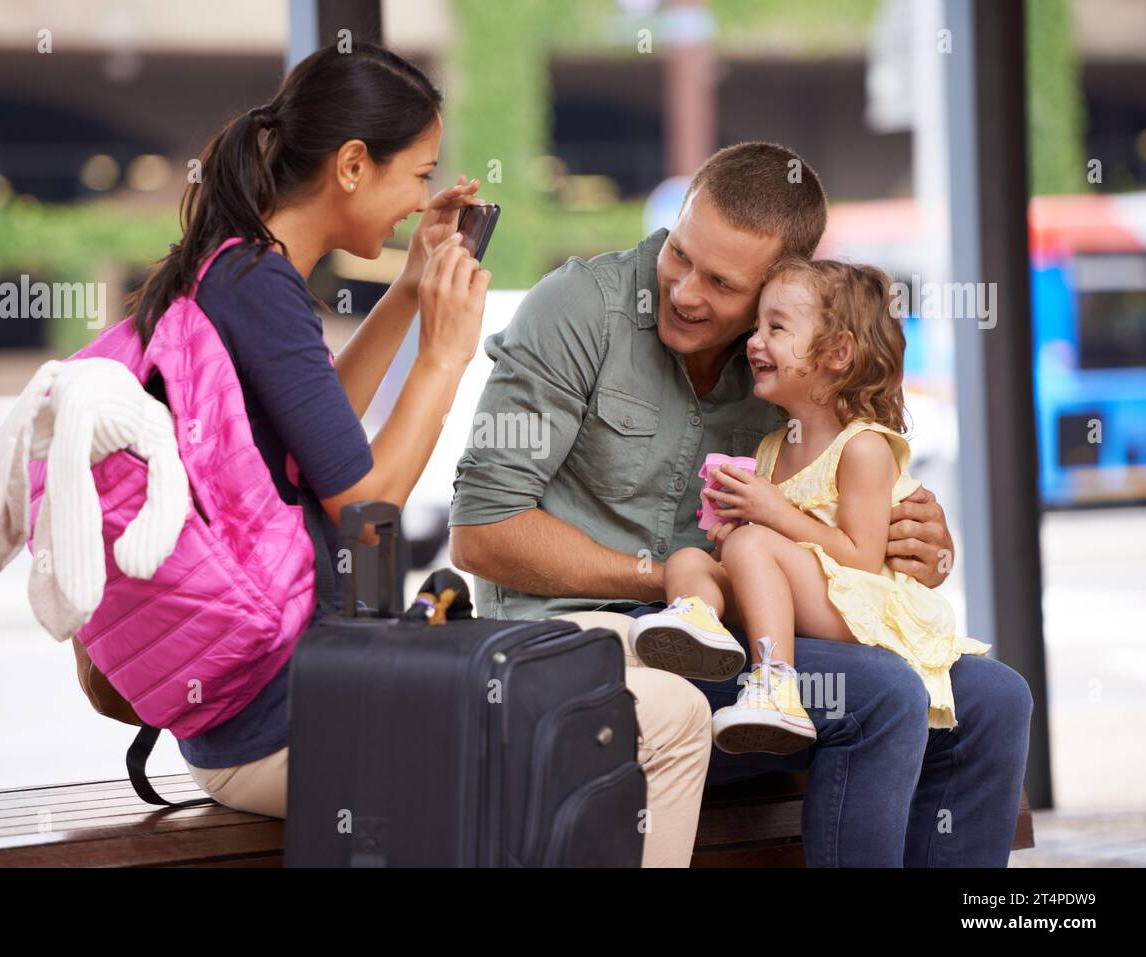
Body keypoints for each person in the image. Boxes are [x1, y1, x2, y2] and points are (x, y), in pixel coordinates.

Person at [124, 40, 713, 868]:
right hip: (289, 722)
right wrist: (445, 354)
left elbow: (325, 425)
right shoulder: (259, 284)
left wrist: (409, 289)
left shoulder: (238, 270)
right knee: (675, 714)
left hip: (301, 693)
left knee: (608, 646)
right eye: (420, 173)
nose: (424, 198)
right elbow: (368, 510)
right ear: (354, 165)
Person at [449, 141, 1033, 866]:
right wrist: (668, 577)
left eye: (723, 285)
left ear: (776, 290)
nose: (686, 291)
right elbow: (482, 533)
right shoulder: (576, 311)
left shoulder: (789, 362)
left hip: (751, 645)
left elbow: (847, 518)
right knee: (880, 693)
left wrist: (918, 542)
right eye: (679, 255)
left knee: (994, 699)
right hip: (581, 648)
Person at [630, 257, 992, 757]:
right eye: (756, 326)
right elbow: (770, 545)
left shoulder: (862, 448)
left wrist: (768, 517)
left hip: (858, 609)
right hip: (796, 598)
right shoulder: (774, 446)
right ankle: (698, 624)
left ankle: (777, 687)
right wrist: (732, 530)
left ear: (838, 352)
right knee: (690, 560)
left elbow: (863, 559)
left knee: (753, 541)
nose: (755, 341)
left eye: (776, 327)